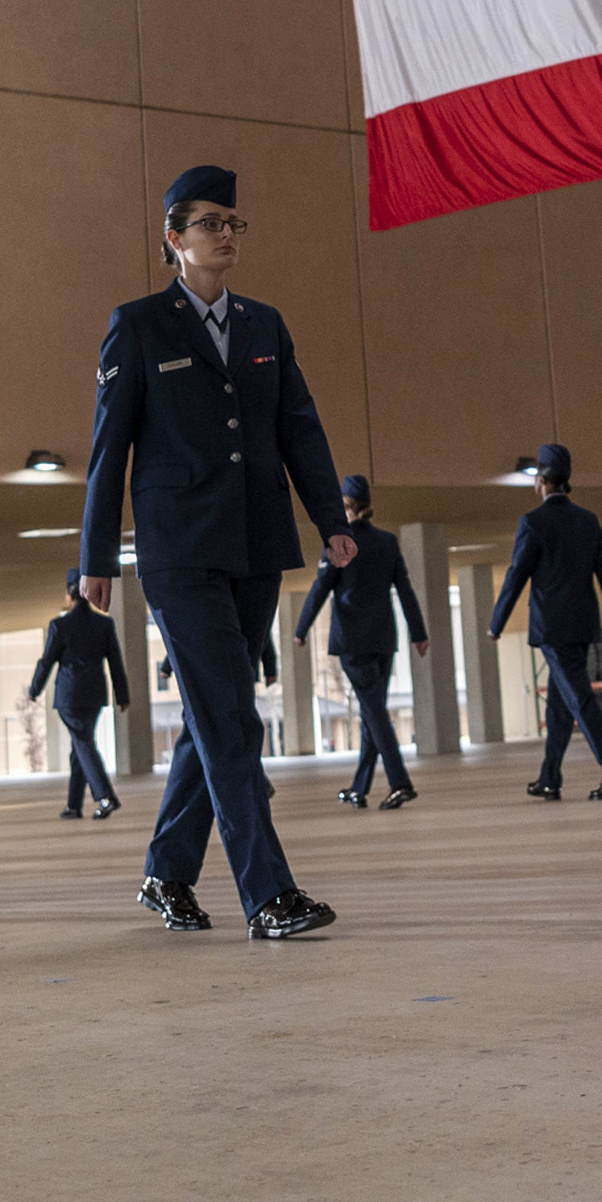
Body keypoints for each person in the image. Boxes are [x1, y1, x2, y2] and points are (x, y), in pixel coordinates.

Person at [81, 165, 348, 941]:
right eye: (209, 223)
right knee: (232, 720)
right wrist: (96, 556)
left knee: (215, 717)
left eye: (234, 223)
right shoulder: (136, 325)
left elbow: (299, 425)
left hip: (256, 544)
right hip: (179, 553)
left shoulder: (265, 324)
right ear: (173, 238)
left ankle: (167, 873)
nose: (226, 235)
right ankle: (268, 895)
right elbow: (109, 450)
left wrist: (330, 517)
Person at [488, 445, 602, 801]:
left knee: (580, 699)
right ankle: (549, 778)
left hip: (552, 629)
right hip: (583, 625)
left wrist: (497, 621)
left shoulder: (533, 522)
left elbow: (516, 575)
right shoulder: (588, 521)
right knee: (559, 704)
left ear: (540, 480)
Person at [295, 474, 430, 809]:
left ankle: (401, 782)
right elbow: (405, 589)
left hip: (353, 642)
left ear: (345, 506)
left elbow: (321, 587)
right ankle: (359, 788)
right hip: (384, 640)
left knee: (375, 714)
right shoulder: (387, 541)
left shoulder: (339, 542)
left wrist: (301, 628)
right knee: (374, 713)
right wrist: (419, 633)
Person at [30, 571, 130, 820]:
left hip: (69, 695)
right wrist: (122, 695)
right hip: (95, 694)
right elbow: (115, 661)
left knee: (83, 743)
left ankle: (105, 795)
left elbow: (47, 661)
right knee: (81, 745)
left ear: (69, 595)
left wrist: (35, 689)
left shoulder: (60, 625)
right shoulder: (104, 624)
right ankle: (74, 806)